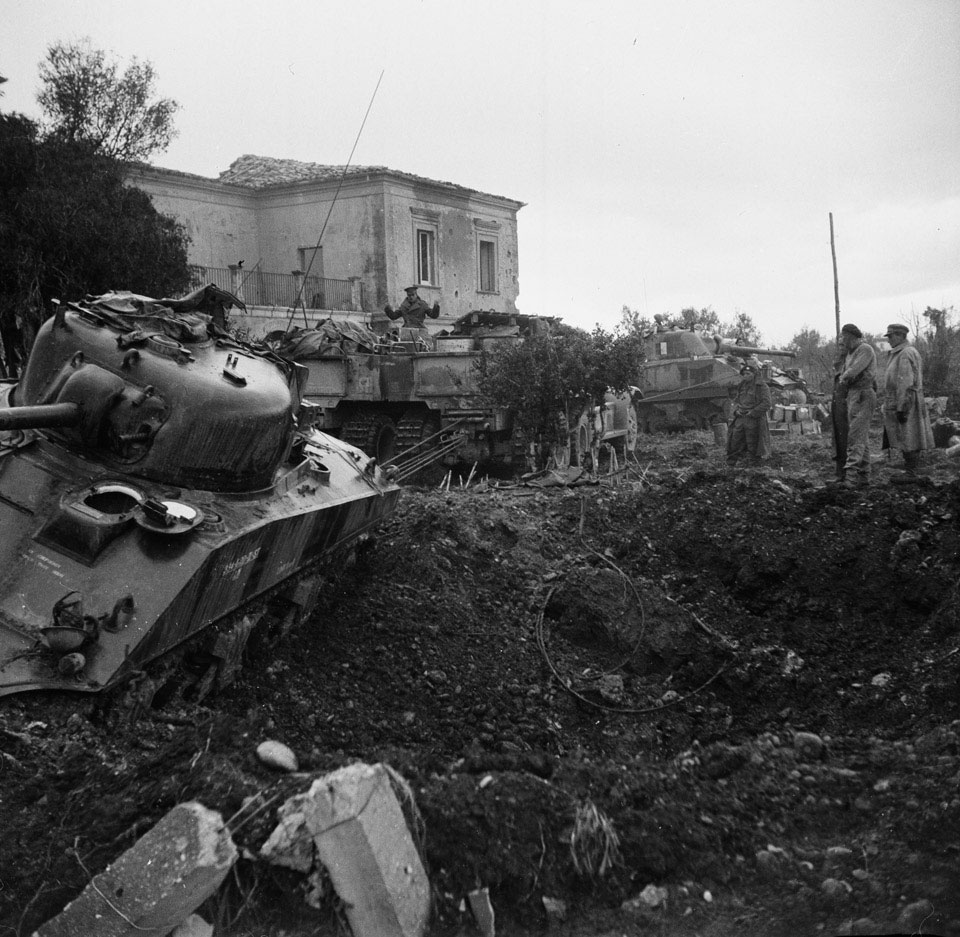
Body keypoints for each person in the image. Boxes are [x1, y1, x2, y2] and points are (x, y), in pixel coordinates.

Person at [881, 323, 933, 477]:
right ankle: (910, 466)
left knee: (908, 433)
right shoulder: (902, 352)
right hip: (905, 399)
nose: (889, 340)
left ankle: (912, 469)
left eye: (890, 336)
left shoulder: (905, 353)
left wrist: (902, 407)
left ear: (899, 336)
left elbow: (905, 383)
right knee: (907, 434)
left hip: (905, 400)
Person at [836, 323, 876, 488]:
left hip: (863, 395)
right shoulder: (850, 353)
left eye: (843, 337)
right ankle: (864, 476)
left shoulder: (865, 349)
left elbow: (853, 371)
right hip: (854, 395)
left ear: (850, 336)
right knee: (861, 437)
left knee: (855, 437)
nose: (842, 340)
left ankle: (851, 478)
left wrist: (843, 378)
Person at [726, 356, 772, 465]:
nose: (746, 376)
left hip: (753, 419)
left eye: (748, 374)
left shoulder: (762, 387)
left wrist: (753, 413)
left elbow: (766, 403)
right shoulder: (741, 386)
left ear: (754, 374)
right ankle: (732, 462)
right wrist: (736, 411)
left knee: (753, 442)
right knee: (735, 440)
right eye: (744, 374)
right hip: (740, 417)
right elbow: (736, 401)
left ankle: (754, 463)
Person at [830, 340, 849, 481]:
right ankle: (840, 472)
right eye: (840, 346)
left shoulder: (853, 362)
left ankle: (849, 473)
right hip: (838, 405)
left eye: (844, 345)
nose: (841, 348)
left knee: (849, 439)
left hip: (849, 404)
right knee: (838, 439)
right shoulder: (839, 363)